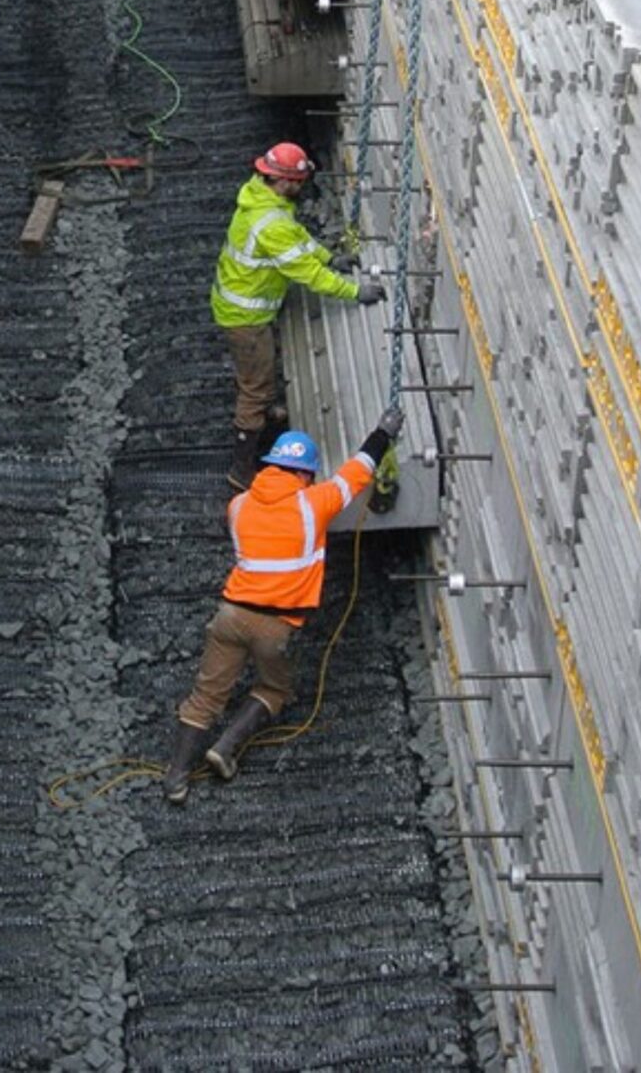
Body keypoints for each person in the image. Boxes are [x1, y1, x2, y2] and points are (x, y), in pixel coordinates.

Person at [161, 407, 404, 804]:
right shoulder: (315, 503)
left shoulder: (238, 506)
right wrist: (383, 433)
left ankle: (176, 778)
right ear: (305, 473)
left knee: (206, 695)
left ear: (270, 466)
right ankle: (225, 748)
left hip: (230, 614)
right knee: (275, 688)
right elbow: (356, 474)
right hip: (275, 625)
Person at [210, 143, 385, 487]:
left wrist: (328, 257)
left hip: (243, 307)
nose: (302, 187)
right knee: (254, 386)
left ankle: (265, 412)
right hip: (244, 317)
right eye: (299, 181)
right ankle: (242, 467)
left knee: (258, 367)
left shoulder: (263, 200)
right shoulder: (270, 223)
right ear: (285, 181)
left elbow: (298, 241)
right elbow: (306, 273)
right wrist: (353, 291)